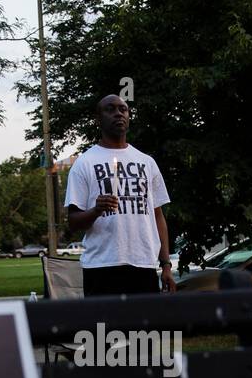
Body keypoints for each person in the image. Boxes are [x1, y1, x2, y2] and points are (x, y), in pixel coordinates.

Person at [64, 94, 174, 296]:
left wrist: (166, 264)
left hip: (143, 265)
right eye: (110, 109)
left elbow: (157, 216)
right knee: (104, 329)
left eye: (123, 109)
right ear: (98, 119)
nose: (118, 114)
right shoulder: (84, 163)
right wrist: (96, 210)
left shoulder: (146, 162)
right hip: (101, 267)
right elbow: (73, 222)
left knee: (142, 328)